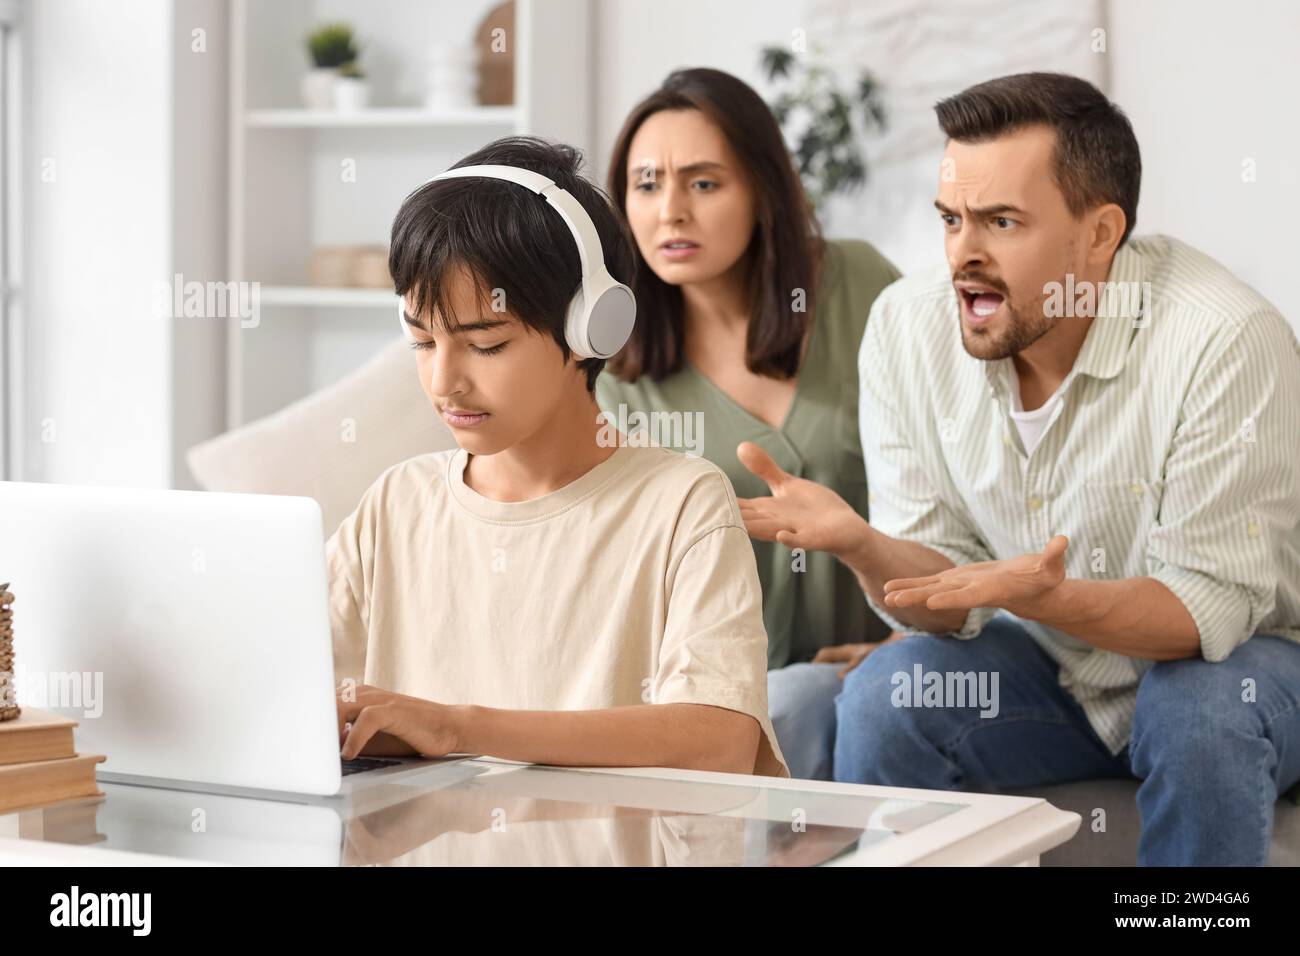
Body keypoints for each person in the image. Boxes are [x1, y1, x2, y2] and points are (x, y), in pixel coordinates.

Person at [736, 72, 1300, 864]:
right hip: (1050, 668)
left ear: (1100, 234)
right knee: (891, 695)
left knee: (1198, 709)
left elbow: (1202, 612)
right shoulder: (906, 330)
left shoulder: (1222, 340)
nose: (964, 255)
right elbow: (949, 591)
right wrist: (864, 546)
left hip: (1250, 665)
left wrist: (1048, 597)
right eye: (950, 219)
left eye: (1001, 221)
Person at [328, 135, 787, 778]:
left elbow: (720, 737)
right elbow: (285, 691)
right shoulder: (396, 504)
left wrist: (457, 727)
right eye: (422, 341)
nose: (443, 382)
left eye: (484, 343)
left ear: (590, 327)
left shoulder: (680, 503)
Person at [596, 67, 901, 780]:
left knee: (806, 704)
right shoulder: (613, 374)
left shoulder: (861, 286)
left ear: (763, 190)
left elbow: (962, 479)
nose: (671, 211)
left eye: (703, 183)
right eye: (646, 185)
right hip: (714, 696)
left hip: (880, 668)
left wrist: (909, 646)